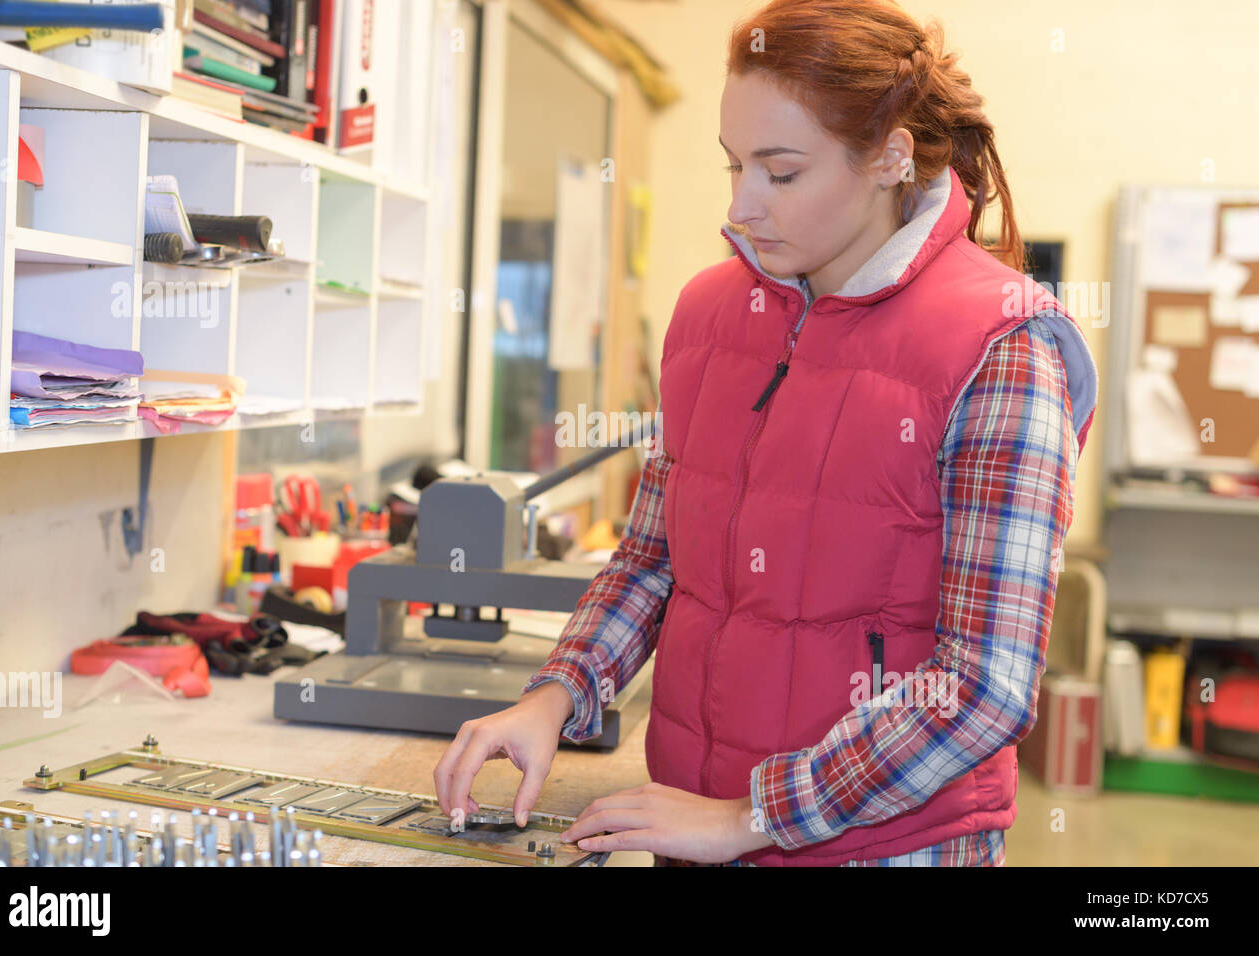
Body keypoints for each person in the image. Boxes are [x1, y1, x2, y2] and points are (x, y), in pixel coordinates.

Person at [433, 0, 1099, 866]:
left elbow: (985, 686)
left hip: (885, 848)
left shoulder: (1000, 347)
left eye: (780, 173)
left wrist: (749, 818)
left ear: (891, 156)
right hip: (692, 824)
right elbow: (652, 560)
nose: (742, 205)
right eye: (733, 165)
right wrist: (557, 695)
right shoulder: (711, 315)